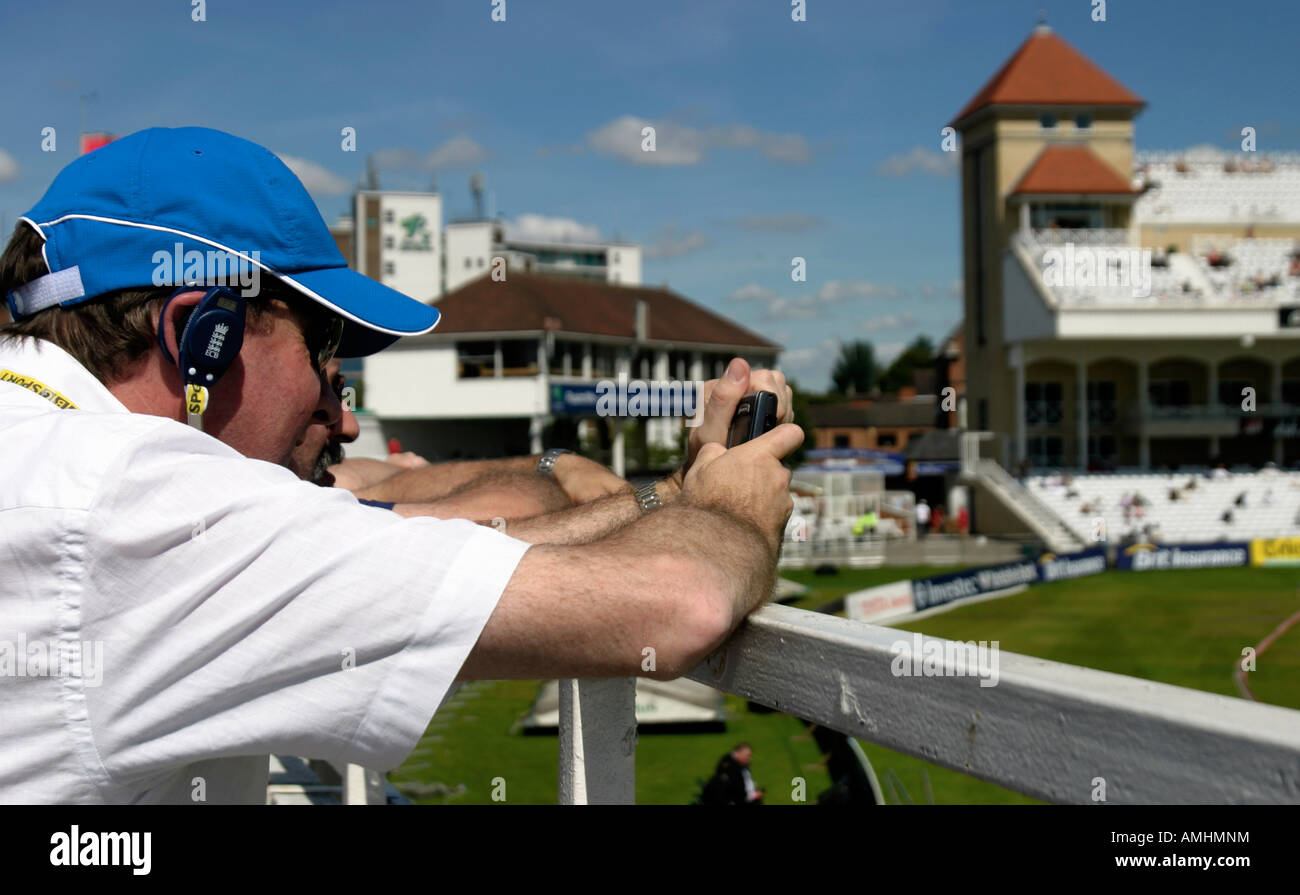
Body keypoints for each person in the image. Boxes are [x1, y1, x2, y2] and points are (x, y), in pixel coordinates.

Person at [0, 127, 802, 803]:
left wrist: (676, 490)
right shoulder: (145, 503)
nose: (337, 401)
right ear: (198, 335)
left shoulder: (58, 453)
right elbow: (682, 602)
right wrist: (732, 503)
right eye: (320, 344)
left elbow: (431, 546)